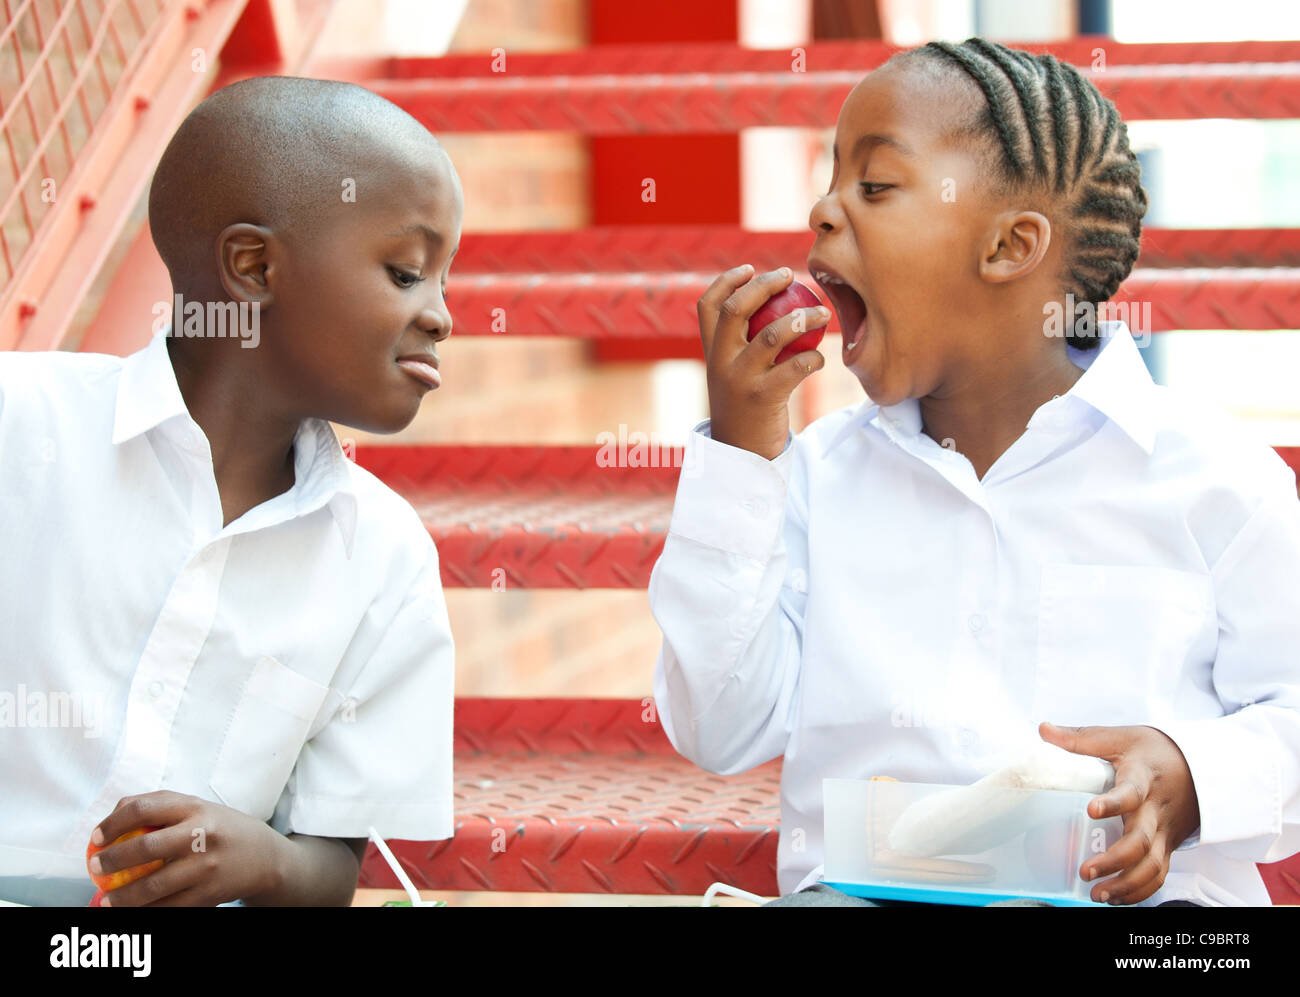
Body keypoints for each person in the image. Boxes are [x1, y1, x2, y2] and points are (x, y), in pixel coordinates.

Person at [648, 38, 1300, 907]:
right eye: (830, 179)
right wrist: (742, 449)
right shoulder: (812, 477)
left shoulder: (1215, 481)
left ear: (1009, 245)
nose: (823, 211)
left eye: (874, 186)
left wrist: (1190, 774)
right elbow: (716, 726)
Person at [0, 75, 461, 906]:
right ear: (253, 268)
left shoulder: (385, 559)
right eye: (404, 273)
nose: (441, 316)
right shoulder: (21, 429)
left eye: (443, 283)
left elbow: (332, 867)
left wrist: (268, 860)